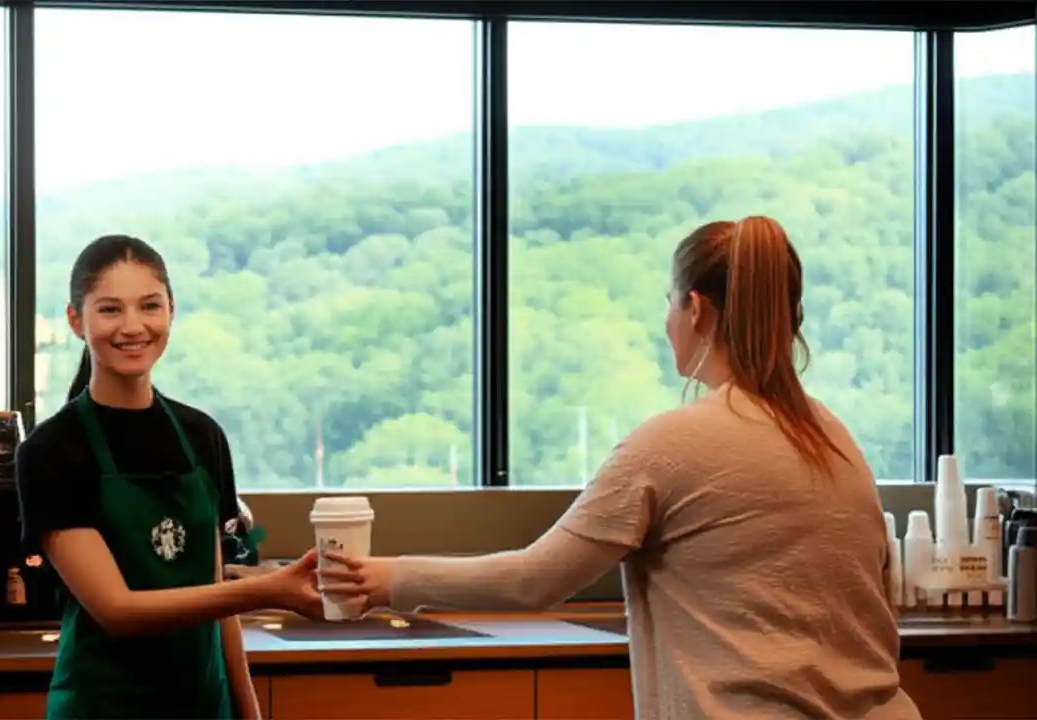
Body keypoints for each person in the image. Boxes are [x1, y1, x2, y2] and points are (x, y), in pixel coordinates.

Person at [319, 216, 922, 719]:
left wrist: (386, 578)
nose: (667, 322)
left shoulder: (671, 446)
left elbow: (535, 581)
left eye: (667, 302)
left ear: (694, 310)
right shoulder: (833, 437)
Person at [15, 234, 321, 719]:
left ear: (171, 311)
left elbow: (218, 600)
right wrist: (266, 589)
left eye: (149, 306)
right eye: (110, 310)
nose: (132, 327)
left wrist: (249, 713)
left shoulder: (203, 436)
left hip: (204, 706)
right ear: (77, 321)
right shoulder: (51, 451)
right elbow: (118, 611)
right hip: (104, 707)